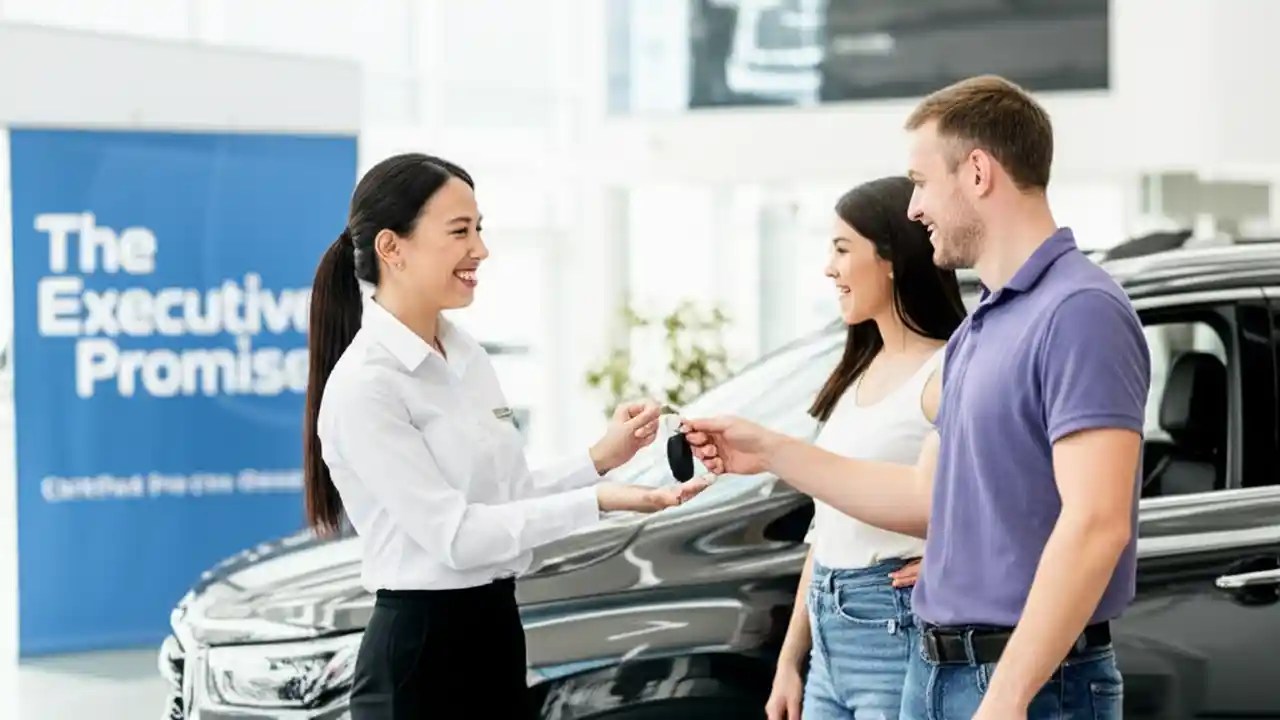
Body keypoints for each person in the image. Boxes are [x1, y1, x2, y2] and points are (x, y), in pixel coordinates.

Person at [683, 75, 1150, 720]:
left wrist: (1006, 697)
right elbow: (920, 496)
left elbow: (1096, 523)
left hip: (1027, 686)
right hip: (937, 672)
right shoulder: (982, 328)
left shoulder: (1080, 310)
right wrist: (768, 450)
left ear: (978, 173)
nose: (913, 208)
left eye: (922, 182)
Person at [301, 153, 711, 719]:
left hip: (494, 632)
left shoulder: (464, 354)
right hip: (419, 660)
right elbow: (458, 536)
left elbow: (505, 500)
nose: (481, 250)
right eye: (460, 231)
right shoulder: (366, 385)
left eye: (479, 229)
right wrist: (598, 501)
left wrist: (600, 459)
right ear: (392, 248)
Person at [764, 176, 966, 720]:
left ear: (892, 259)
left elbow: (1000, 492)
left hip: (893, 627)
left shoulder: (948, 370)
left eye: (842, 249)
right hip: (829, 637)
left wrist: (957, 557)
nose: (829, 268)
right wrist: (790, 661)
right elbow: (827, 528)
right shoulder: (858, 369)